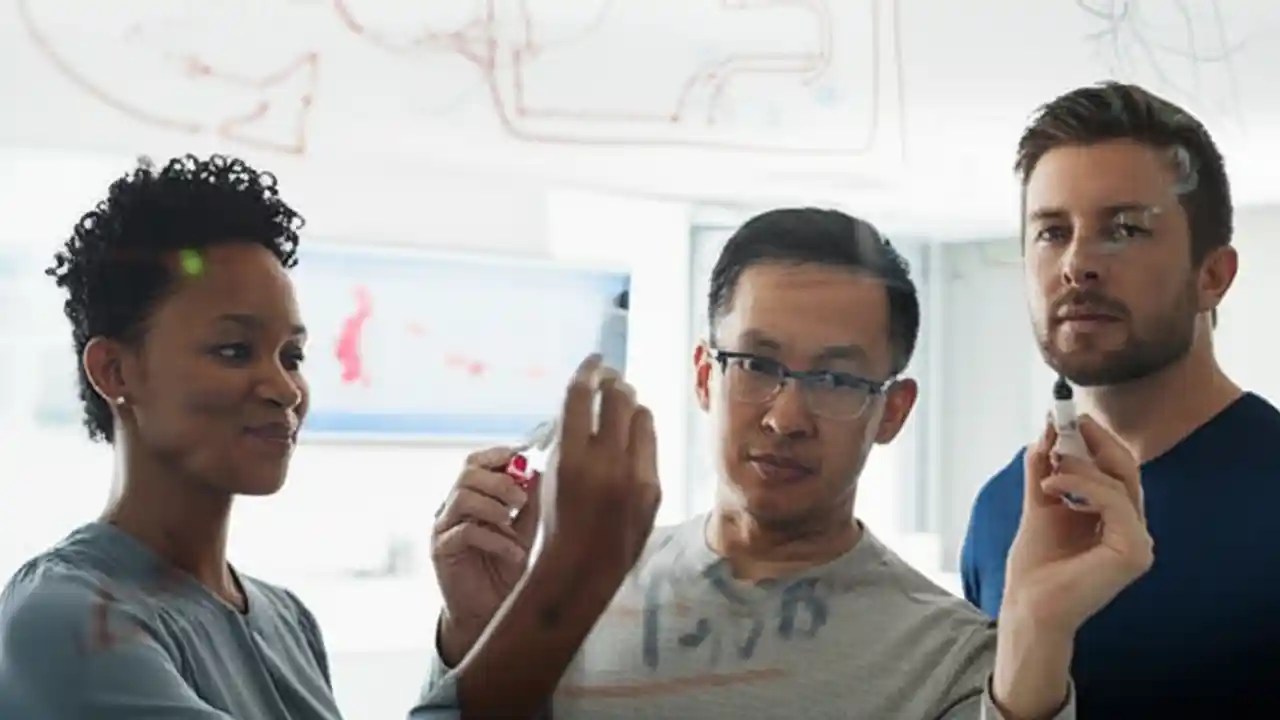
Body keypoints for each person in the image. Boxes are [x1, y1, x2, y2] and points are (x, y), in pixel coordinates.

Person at [413, 208, 1154, 718]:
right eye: (757, 364)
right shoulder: (578, 589)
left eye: (835, 380)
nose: (785, 417)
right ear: (706, 376)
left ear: (892, 411)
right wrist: (474, 632)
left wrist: (1036, 629)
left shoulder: (953, 660)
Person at [960, 82, 1280, 715]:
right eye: (1052, 231)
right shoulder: (1004, 512)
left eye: (1126, 229)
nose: (1078, 263)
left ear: (1211, 276)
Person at [0, 154, 347, 718]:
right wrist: (543, 586)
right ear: (115, 371)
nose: (285, 389)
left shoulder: (288, 619)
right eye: (235, 350)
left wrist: (468, 625)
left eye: (293, 356)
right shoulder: (72, 618)